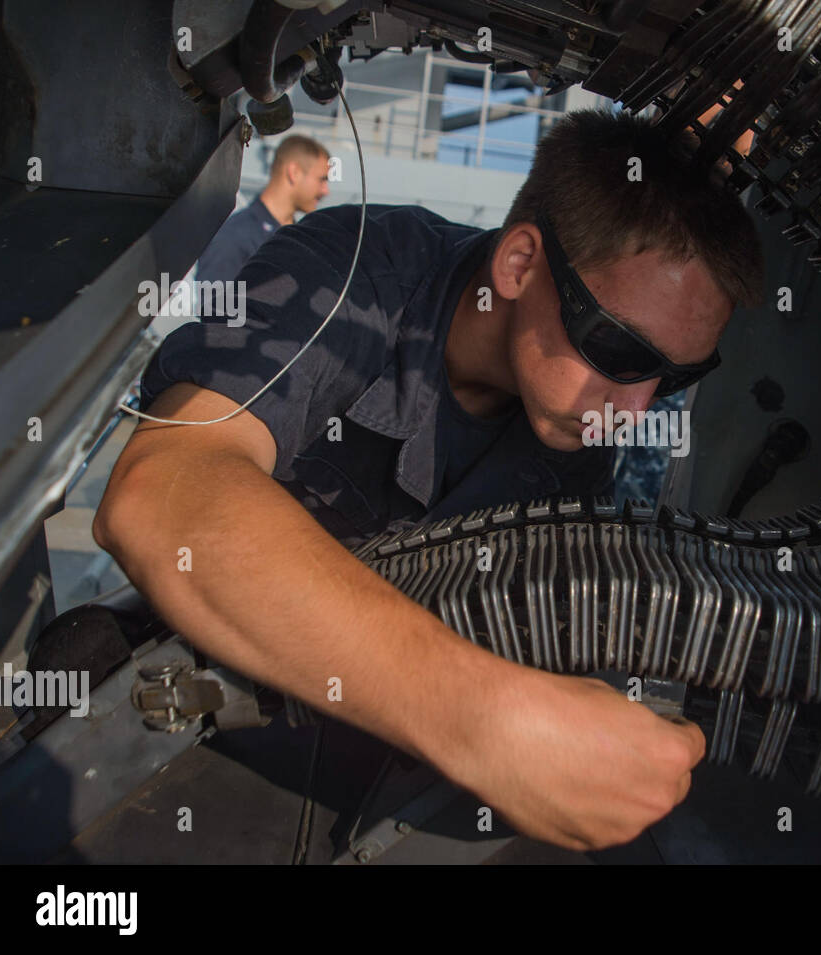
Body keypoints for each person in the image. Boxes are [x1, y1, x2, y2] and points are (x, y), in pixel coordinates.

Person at [94, 107, 765, 852]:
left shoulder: (575, 431)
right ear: (519, 264)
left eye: (673, 377)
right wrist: (485, 719)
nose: (634, 410)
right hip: (183, 714)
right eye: (619, 348)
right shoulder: (354, 274)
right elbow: (161, 491)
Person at [194, 134, 331, 284]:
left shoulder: (300, 238)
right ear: (294, 172)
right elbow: (212, 305)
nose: (326, 191)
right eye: (322, 180)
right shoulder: (233, 237)